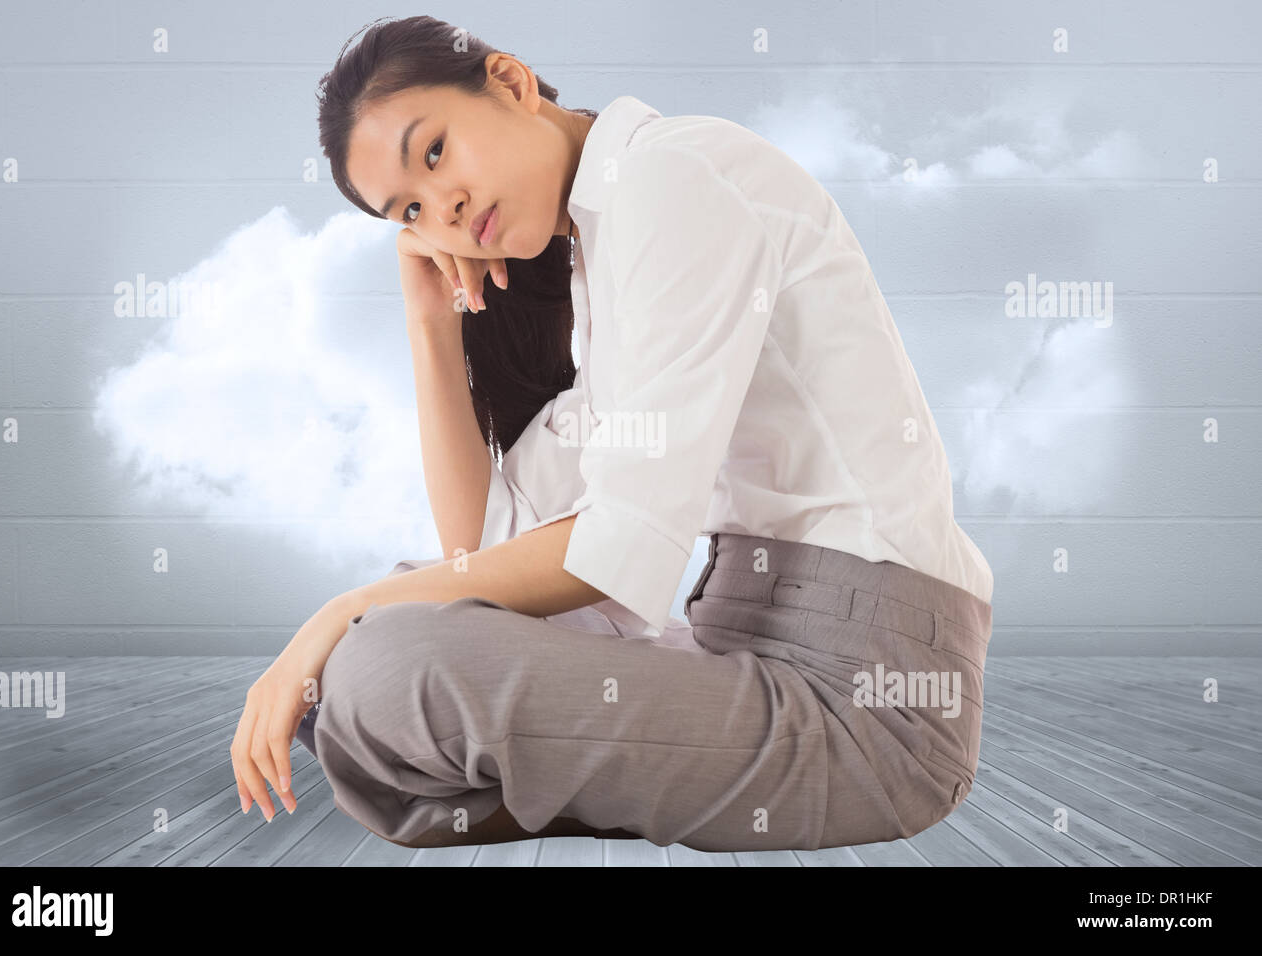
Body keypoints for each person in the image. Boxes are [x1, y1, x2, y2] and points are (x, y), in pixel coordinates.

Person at [229, 14, 995, 852]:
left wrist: (339, 614)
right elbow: (478, 551)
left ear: (511, 84)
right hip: (748, 648)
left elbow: (615, 551)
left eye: (436, 152)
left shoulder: (670, 178)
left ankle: (582, 770)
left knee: (379, 666)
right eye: (410, 209)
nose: (441, 208)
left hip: (869, 707)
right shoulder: (609, 242)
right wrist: (429, 319)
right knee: (377, 651)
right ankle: (600, 769)